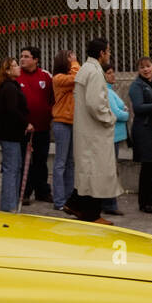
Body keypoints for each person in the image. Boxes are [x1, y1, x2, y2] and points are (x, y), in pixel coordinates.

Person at [69, 38, 119, 224]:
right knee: (96, 173)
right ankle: (92, 214)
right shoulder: (96, 72)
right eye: (108, 50)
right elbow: (96, 104)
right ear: (101, 53)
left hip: (86, 130)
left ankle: (75, 204)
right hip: (95, 131)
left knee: (88, 172)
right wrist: (109, 118)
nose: (110, 54)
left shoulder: (85, 69)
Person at [0, 57, 33, 213]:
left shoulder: (11, 85)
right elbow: (12, 110)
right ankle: (9, 207)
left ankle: (11, 203)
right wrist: (26, 123)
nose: (18, 67)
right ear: (8, 71)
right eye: (15, 65)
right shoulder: (9, 87)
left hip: (12, 134)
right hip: (9, 135)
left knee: (14, 168)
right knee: (12, 169)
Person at [128, 57, 152, 214]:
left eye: (148, 66)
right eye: (142, 67)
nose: (146, 69)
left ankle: (150, 201)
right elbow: (138, 107)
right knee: (148, 166)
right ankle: (144, 203)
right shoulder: (136, 86)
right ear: (138, 70)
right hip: (144, 130)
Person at [16, 46, 55, 206]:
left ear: (35, 59)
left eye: (26, 56)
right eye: (21, 56)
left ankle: (42, 192)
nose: (22, 59)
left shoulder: (45, 76)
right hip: (24, 128)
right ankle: (24, 192)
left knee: (41, 160)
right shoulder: (16, 75)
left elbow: (53, 99)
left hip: (43, 128)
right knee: (25, 162)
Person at [50, 50, 80, 210]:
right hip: (61, 122)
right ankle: (59, 201)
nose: (74, 59)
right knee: (60, 162)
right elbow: (77, 77)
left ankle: (68, 199)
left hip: (73, 121)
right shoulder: (58, 78)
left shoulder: (67, 76)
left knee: (70, 162)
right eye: (70, 56)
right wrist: (75, 63)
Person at [102, 64, 129, 216]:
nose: (113, 75)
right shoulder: (106, 91)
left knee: (112, 170)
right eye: (109, 73)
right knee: (111, 171)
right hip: (112, 136)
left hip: (116, 136)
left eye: (113, 72)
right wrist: (125, 114)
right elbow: (118, 113)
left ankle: (109, 203)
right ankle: (109, 204)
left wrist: (124, 110)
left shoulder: (111, 91)